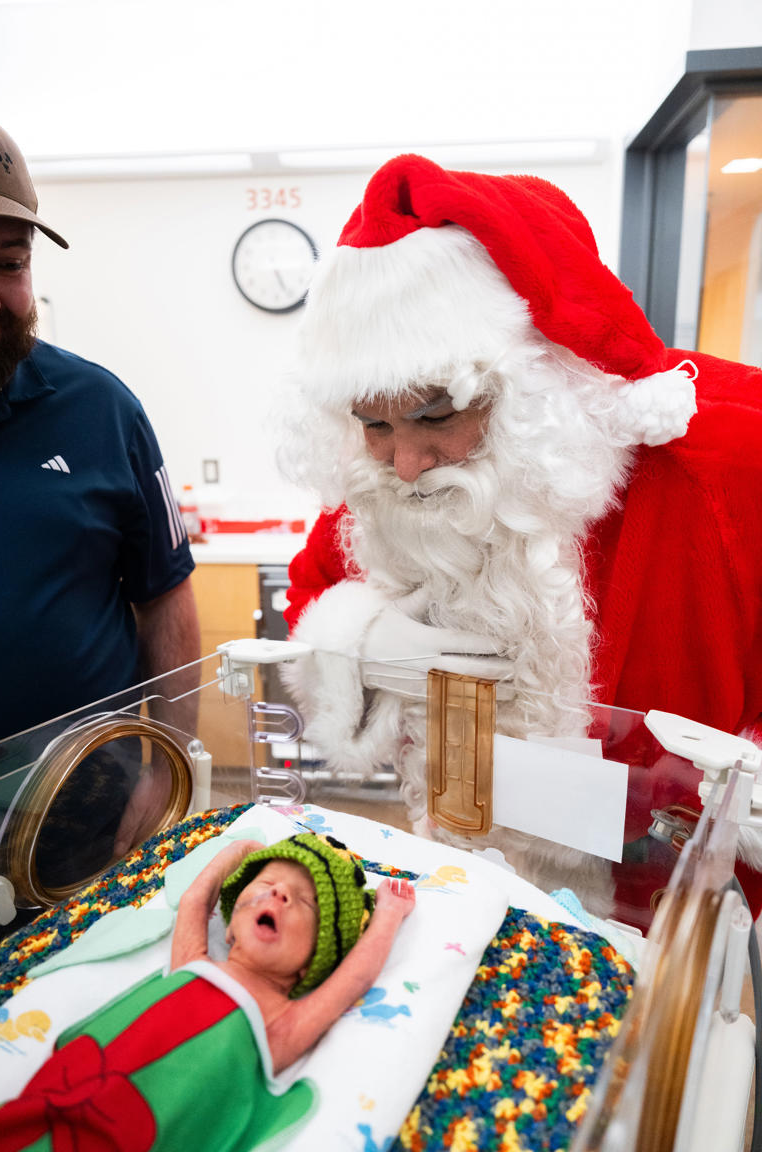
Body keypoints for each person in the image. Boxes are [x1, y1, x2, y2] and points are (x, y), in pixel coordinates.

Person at [277, 153, 762, 917]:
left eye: (437, 415)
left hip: (673, 911)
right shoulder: (385, 492)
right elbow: (314, 592)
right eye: (375, 424)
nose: (406, 463)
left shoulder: (727, 460)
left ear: (532, 385)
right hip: (465, 878)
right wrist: (359, 642)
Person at [0, 832, 415, 1150]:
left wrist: (389, 914)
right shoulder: (193, 963)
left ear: (311, 962)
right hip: (59, 1096)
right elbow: (196, 901)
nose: (280, 892)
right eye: (266, 883)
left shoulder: (278, 1025)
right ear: (228, 928)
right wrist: (236, 853)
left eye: (305, 902)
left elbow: (354, 980)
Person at [0, 119, 200, 745]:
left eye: (9, 264)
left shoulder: (102, 410)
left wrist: (172, 761)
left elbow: (165, 598)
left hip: (89, 792)